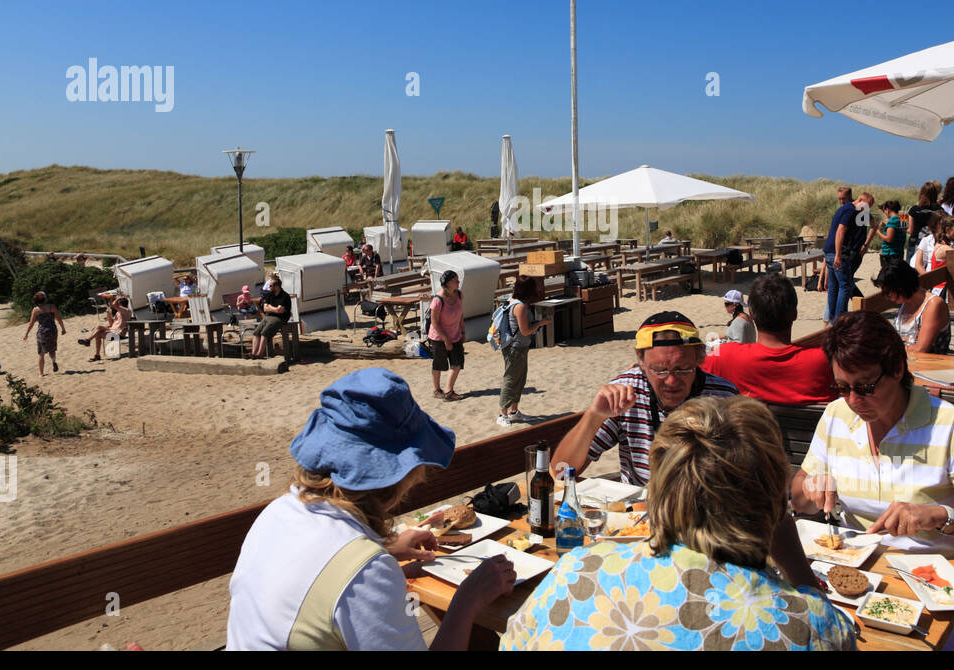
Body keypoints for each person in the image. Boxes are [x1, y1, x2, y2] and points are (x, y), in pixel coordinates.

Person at [503, 396, 857, 651]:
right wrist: (799, 571)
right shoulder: (810, 626)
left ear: (659, 487)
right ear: (773, 499)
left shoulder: (576, 571)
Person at [227, 369, 515, 650]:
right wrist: (467, 601)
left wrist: (385, 547)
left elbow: (314, 569)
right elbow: (352, 580)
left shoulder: (278, 511)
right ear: (401, 475)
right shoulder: (368, 572)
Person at [790, 311, 954, 562]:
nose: (853, 401)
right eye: (843, 388)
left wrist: (941, 516)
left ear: (897, 369)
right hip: (853, 565)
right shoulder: (836, 415)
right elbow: (800, 500)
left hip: (934, 578)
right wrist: (810, 489)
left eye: (866, 387)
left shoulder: (950, 425)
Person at [552, 311, 737, 485]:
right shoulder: (626, 394)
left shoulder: (723, 397)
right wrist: (594, 416)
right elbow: (560, 471)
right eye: (659, 370)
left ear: (699, 359)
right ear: (641, 362)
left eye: (683, 369)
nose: (671, 381)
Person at [701, 273, 833, 404]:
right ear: (795, 314)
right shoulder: (823, 361)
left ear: (751, 315)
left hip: (747, 423)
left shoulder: (722, 356)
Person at [496, 275, 550, 426]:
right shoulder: (519, 306)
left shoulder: (514, 302)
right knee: (511, 380)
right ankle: (502, 414)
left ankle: (514, 412)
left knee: (520, 379)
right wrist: (540, 323)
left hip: (519, 347)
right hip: (514, 349)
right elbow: (525, 331)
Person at [874, 259, 951, 354]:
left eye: (888, 292)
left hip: (930, 366)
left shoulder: (934, 304)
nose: (886, 297)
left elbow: (921, 349)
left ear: (901, 287)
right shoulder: (905, 303)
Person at [822, 185, 859, 323]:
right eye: (839, 199)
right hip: (838, 253)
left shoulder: (842, 210)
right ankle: (838, 320)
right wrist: (838, 254)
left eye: (843, 198)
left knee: (834, 286)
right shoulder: (849, 209)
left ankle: (832, 318)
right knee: (844, 286)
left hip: (830, 251)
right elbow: (840, 231)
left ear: (850, 196)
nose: (841, 201)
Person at [428, 270, 465, 401]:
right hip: (439, 337)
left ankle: (449, 391)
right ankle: (436, 390)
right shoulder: (438, 300)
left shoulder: (459, 295)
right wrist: (445, 339)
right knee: (439, 364)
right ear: (449, 283)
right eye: (456, 280)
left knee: (458, 362)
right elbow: (434, 322)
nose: (458, 282)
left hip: (455, 334)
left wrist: (463, 331)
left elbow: (460, 314)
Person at [22, 291, 67, 376]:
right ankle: (53, 361)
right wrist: (63, 329)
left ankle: (41, 373)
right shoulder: (51, 306)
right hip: (53, 330)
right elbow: (59, 318)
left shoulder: (36, 310)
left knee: (41, 353)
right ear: (44, 299)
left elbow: (31, 324)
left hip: (42, 332)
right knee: (52, 349)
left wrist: (26, 334)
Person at [250, 275, 292, 359]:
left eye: (271, 285)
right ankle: (253, 354)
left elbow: (280, 311)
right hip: (269, 316)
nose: (269, 287)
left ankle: (259, 354)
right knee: (256, 332)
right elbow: (265, 309)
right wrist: (275, 308)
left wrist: (271, 307)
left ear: (277, 286)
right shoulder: (269, 295)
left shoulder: (285, 296)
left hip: (280, 318)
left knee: (264, 333)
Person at [77, 294, 129, 361]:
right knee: (98, 328)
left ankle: (89, 343)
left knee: (98, 333)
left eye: (119, 304)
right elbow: (111, 324)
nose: (118, 306)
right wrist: (109, 314)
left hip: (118, 334)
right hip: (113, 331)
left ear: (121, 305)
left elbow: (114, 304)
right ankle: (94, 350)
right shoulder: (119, 313)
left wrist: (117, 298)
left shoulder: (126, 311)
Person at [906, 180, 943, 257]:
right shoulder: (939, 210)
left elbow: (910, 230)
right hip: (932, 243)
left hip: (915, 242)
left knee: (911, 267)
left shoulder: (914, 209)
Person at [877, 199, 906, 274]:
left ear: (887, 209)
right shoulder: (903, 218)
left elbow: (889, 239)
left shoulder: (892, 220)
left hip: (890, 254)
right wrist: (886, 227)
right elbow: (898, 232)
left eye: (884, 211)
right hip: (899, 252)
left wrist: (878, 232)